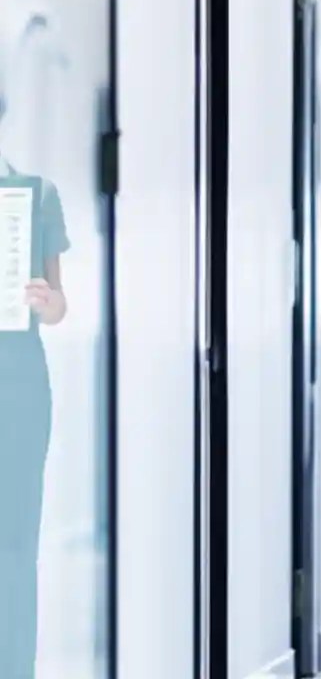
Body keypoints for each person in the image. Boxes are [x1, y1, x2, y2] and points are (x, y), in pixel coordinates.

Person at [0, 44, 71, 679]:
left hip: (17, 385)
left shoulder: (36, 196)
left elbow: (59, 307)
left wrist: (45, 302)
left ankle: (13, 664)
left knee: (15, 541)